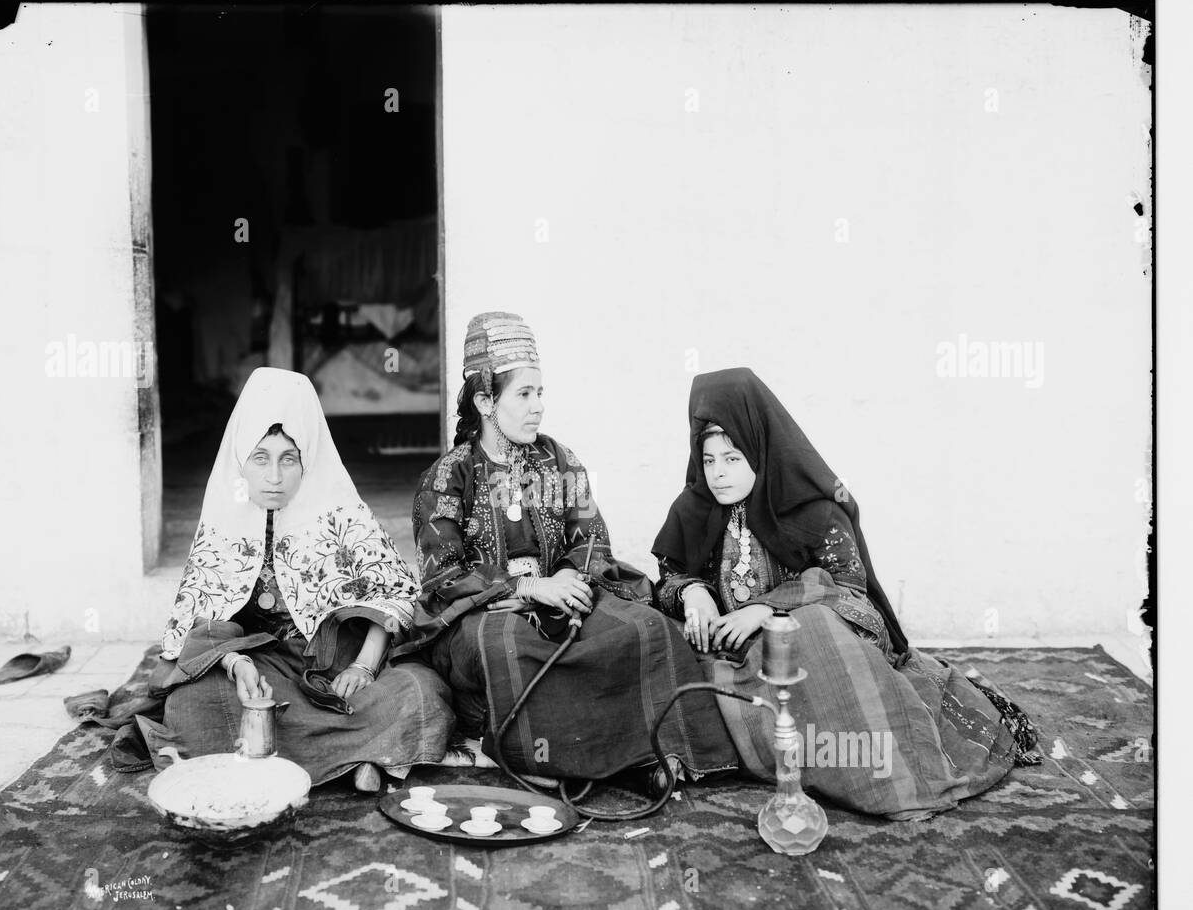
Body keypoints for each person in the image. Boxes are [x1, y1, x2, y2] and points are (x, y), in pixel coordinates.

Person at [652, 367, 1039, 821]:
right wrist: (692, 593)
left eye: (732, 458)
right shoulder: (693, 508)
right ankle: (725, 741)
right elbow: (669, 576)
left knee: (813, 632)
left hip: (802, 648)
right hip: (727, 653)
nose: (717, 474)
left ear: (759, 449)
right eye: (709, 460)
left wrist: (766, 610)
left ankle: (893, 780)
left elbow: (850, 589)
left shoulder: (813, 509)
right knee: (654, 636)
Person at [393, 313, 738, 792]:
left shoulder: (559, 460)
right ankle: (542, 757)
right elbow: (442, 575)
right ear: (485, 401)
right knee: (506, 646)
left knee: (644, 627)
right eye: (524, 394)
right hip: (482, 616)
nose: (538, 407)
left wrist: (569, 582)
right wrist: (527, 588)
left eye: (540, 392)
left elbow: (591, 538)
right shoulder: (448, 476)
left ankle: (661, 753)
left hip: (563, 598)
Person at [141, 366, 455, 792]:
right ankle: (361, 756)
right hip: (262, 667)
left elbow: (397, 596)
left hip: (337, 667)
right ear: (241, 459)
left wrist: (364, 666)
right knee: (190, 704)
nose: (273, 476)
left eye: (288, 459)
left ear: (307, 458)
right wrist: (234, 663)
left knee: (419, 691)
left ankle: (298, 754)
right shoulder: (223, 522)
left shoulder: (343, 514)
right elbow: (193, 624)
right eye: (260, 458)